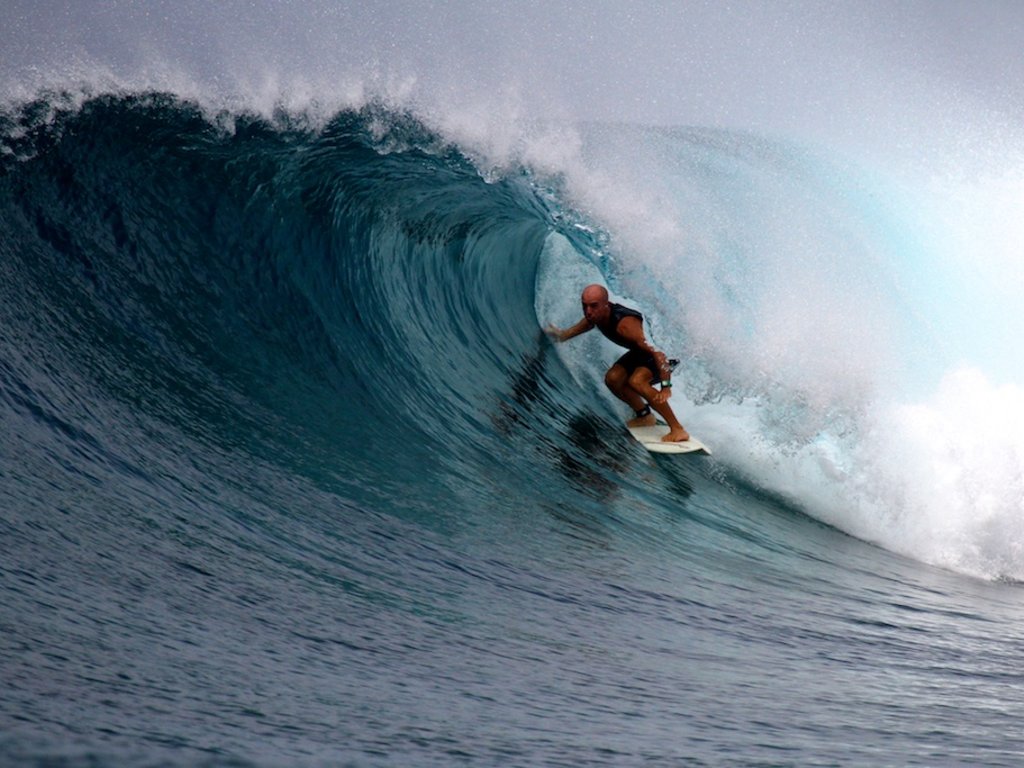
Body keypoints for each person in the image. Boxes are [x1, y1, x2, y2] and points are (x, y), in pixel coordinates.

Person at [546, 284, 690, 442]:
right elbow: (587, 324)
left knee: (637, 381)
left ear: (606, 304)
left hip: (663, 357)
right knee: (613, 379)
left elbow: (658, 354)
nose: (588, 311)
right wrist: (561, 336)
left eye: (593, 306)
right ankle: (644, 416)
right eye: (584, 305)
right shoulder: (597, 316)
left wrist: (666, 387)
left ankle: (677, 429)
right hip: (641, 354)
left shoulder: (625, 326)